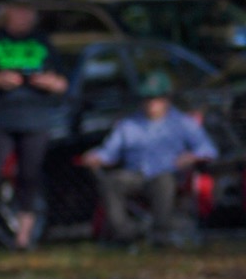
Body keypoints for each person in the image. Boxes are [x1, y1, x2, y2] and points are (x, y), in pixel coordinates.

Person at [0, 1, 67, 250]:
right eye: (18, 11)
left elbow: (62, 83)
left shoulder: (42, 42)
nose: (24, 16)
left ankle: (23, 240)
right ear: (7, 13)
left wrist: (48, 82)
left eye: (28, 11)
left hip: (35, 120)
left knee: (29, 177)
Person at [79, 72, 216, 246]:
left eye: (156, 98)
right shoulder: (128, 124)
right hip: (135, 175)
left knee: (164, 181)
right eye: (147, 98)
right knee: (110, 182)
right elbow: (109, 152)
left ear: (166, 99)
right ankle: (124, 234)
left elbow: (208, 149)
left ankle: (161, 234)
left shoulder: (183, 123)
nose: (151, 103)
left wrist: (192, 156)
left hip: (169, 175)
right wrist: (95, 157)